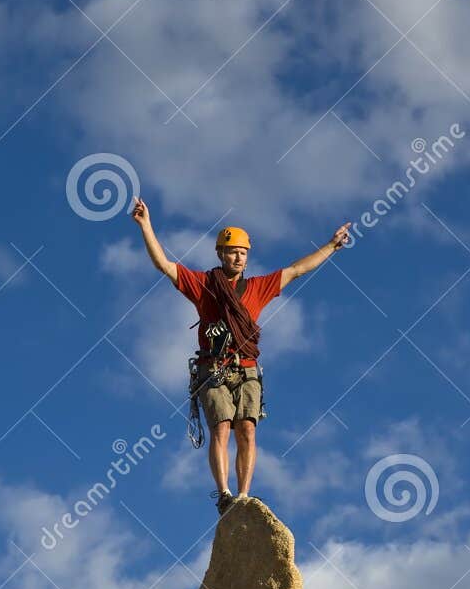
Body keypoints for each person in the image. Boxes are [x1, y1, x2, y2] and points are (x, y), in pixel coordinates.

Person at [131, 201, 351, 513]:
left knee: (247, 429)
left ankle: (244, 496)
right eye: (233, 252)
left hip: (247, 369)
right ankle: (224, 494)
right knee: (221, 427)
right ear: (221, 254)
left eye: (243, 253)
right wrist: (146, 225)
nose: (238, 257)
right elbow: (164, 265)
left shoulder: (258, 287)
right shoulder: (204, 285)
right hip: (213, 369)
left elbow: (297, 270)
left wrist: (331, 246)